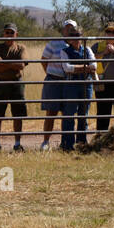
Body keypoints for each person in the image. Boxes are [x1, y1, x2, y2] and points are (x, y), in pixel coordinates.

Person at [39, 20, 79, 151]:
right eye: (67, 28)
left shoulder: (77, 44)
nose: (69, 31)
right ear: (63, 30)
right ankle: (45, 142)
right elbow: (44, 60)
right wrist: (51, 73)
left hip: (70, 82)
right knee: (51, 112)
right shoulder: (54, 43)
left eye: (72, 28)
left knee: (68, 113)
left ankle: (65, 142)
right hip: (54, 81)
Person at [0, 23, 27, 152]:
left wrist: (4, 62)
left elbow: (21, 65)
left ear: (16, 34)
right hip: (0, 82)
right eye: (7, 32)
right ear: (3, 34)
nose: (9, 35)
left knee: (18, 114)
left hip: (16, 83)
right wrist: (12, 64)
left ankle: (17, 144)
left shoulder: (21, 48)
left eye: (11, 32)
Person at [57, 24, 97, 151]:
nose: (76, 39)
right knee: (69, 114)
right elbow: (67, 68)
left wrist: (78, 68)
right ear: (69, 38)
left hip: (86, 85)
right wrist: (85, 68)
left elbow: (94, 65)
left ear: (82, 37)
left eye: (78, 36)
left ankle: (81, 143)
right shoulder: (64, 51)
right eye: (73, 36)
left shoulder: (87, 50)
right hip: (71, 85)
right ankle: (67, 145)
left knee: (83, 114)